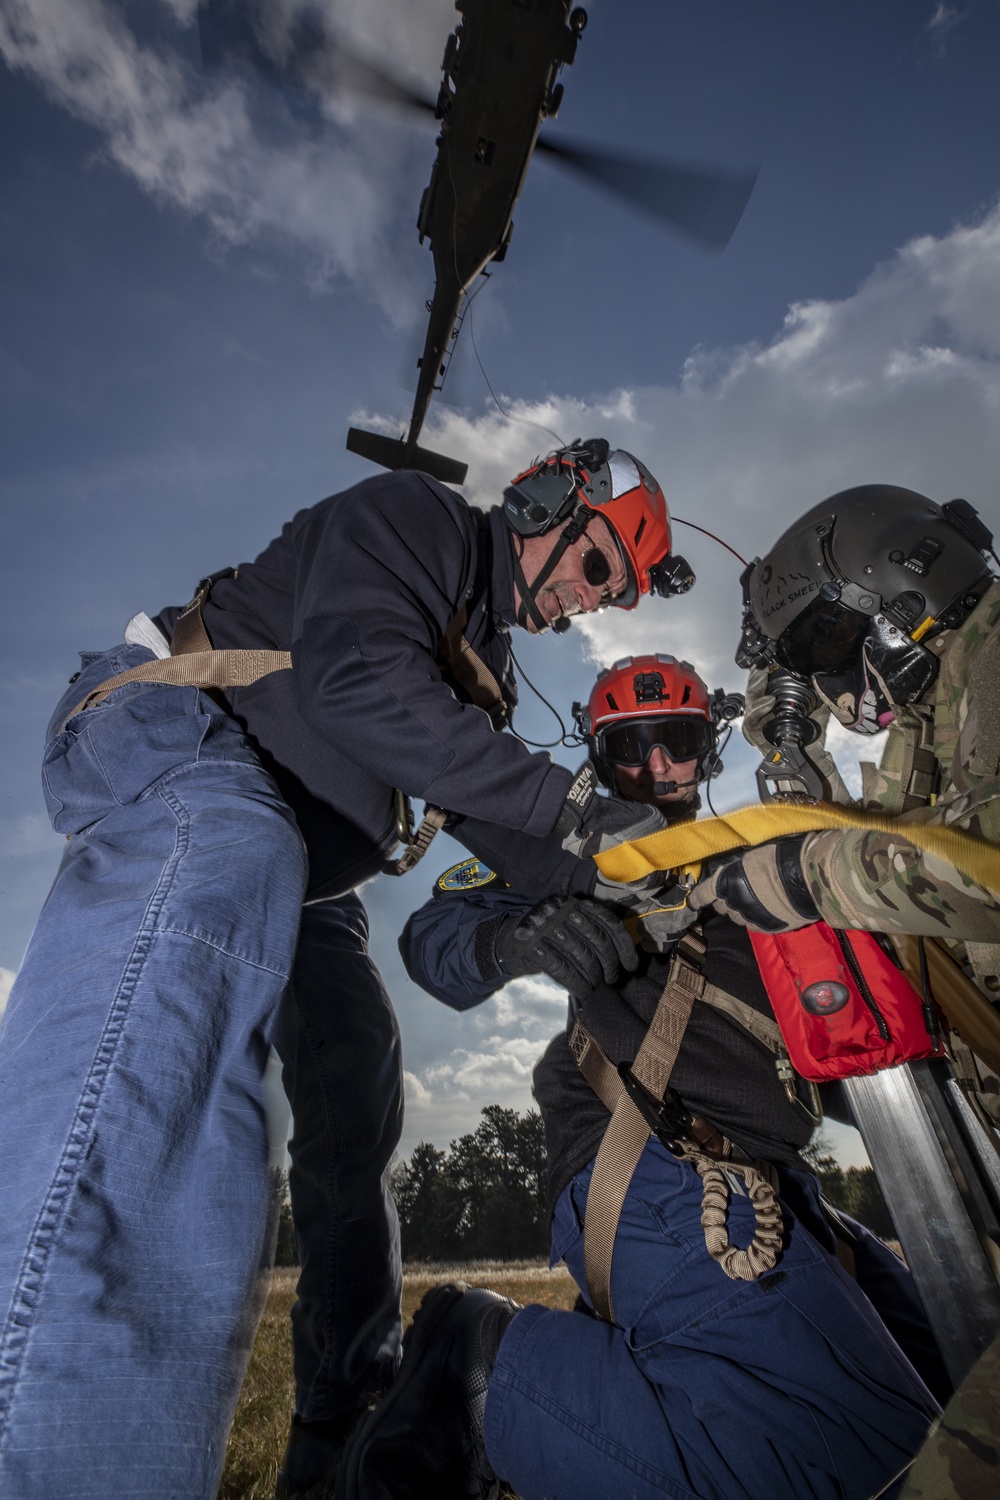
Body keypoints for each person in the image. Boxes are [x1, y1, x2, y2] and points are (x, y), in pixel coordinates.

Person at [0, 440, 689, 1500]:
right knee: (224, 867)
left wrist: (644, 880)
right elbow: (351, 679)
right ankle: (53, 1445)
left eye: (620, 594)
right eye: (599, 568)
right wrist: (576, 807)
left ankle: (337, 1418)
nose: (591, 603)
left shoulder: (486, 667)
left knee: (355, 1077)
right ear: (550, 499)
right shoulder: (417, 518)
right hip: (175, 733)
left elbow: (509, 834)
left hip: (295, 865)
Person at [338, 653, 943, 1500]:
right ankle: (483, 1378)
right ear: (597, 757)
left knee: (958, 1390)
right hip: (660, 1159)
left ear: (708, 750)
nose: (656, 769)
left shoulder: (761, 873)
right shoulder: (571, 859)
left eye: (678, 744)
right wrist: (522, 940)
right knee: (877, 1463)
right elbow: (434, 943)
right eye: (631, 748)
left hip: (789, 1189)